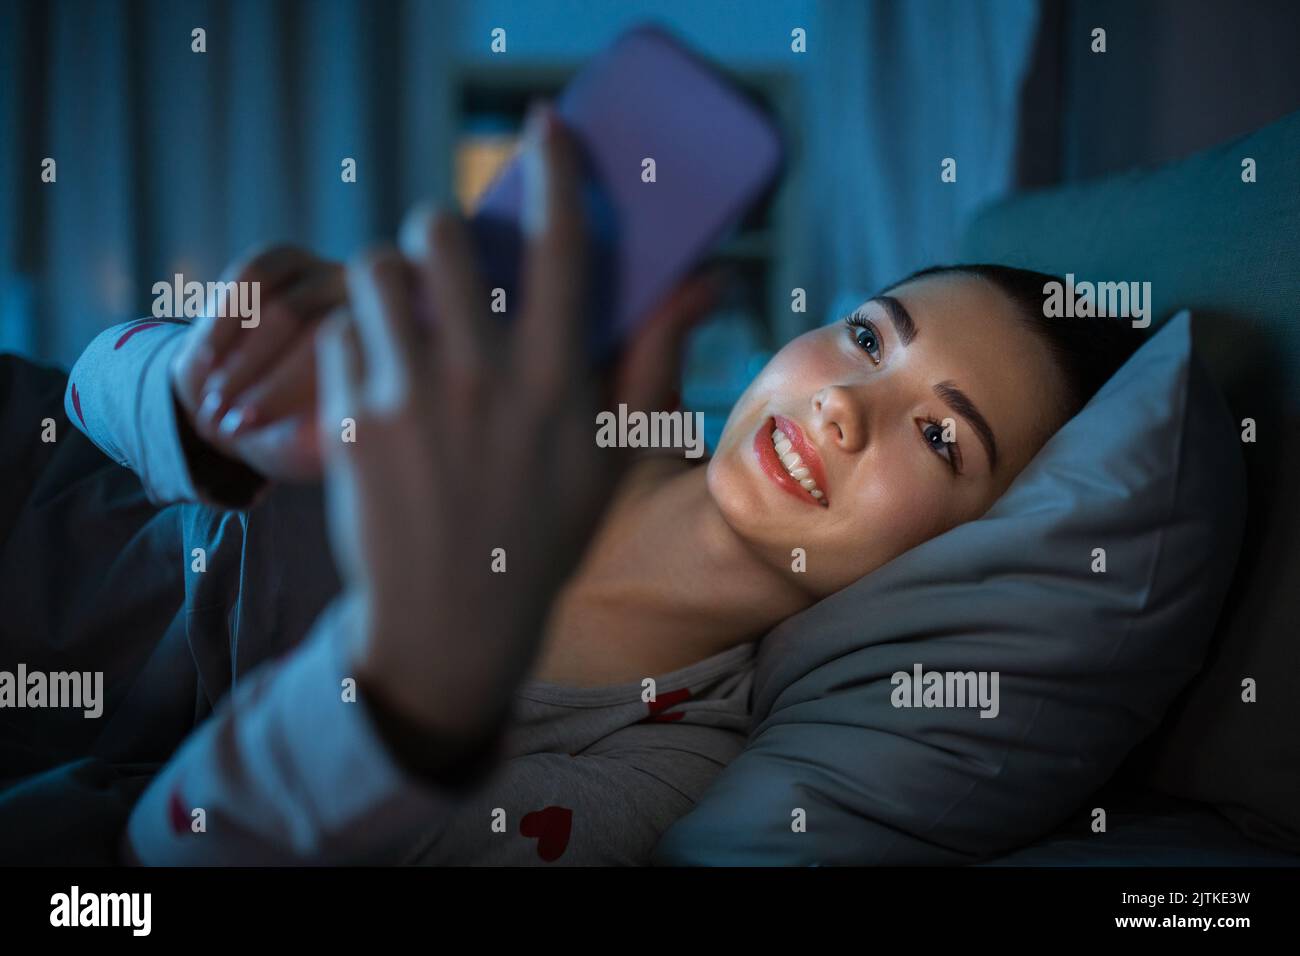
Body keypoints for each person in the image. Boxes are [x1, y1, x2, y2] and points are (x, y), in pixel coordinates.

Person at [55, 103, 1139, 864]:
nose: (844, 407)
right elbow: (90, 382)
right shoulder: (544, 384)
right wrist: (221, 398)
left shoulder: (665, 767)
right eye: (865, 335)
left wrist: (414, 677)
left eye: (943, 440)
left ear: (969, 547)